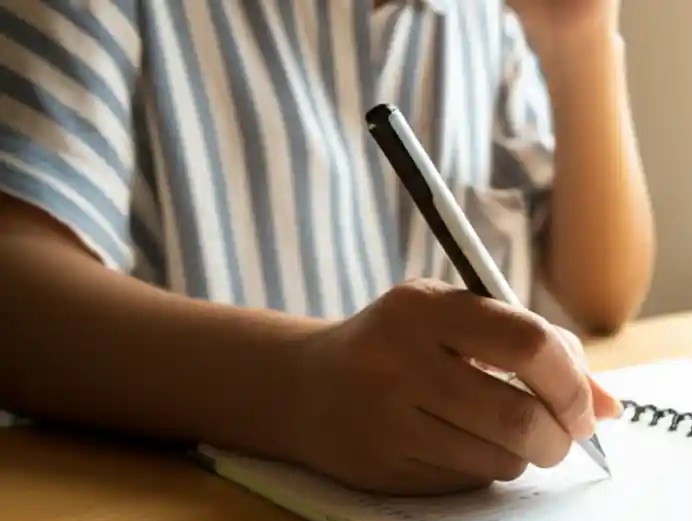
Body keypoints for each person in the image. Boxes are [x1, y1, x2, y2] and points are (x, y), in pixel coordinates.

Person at [0, 0, 655, 494]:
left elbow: (601, 296)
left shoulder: (484, 19)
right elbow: (17, 300)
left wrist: (581, 37)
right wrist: (298, 383)